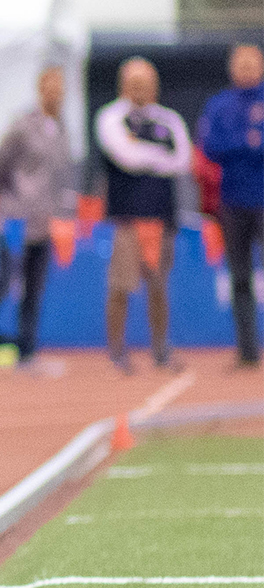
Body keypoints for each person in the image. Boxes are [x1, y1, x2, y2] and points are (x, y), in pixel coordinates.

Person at [0, 66, 74, 370]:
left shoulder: (62, 129)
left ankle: (27, 350)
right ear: (40, 90)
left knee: (34, 286)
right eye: (50, 88)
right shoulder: (23, 125)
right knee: (5, 279)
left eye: (60, 89)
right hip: (16, 217)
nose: (56, 95)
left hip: (44, 220)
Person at [96, 56, 192, 376]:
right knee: (120, 286)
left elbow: (182, 161)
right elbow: (126, 157)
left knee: (159, 287)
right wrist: (158, 156)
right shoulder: (111, 117)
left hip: (161, 216)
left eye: (146, 82)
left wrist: (144, 153)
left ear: (155, 86)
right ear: (123, 85)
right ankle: (116, 352)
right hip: (127, 217)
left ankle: (161, 350)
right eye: (134, 82)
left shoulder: (169, 120)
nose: (140, 88)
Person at [197, 43, 263, 370]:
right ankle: (247, 352)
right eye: (241, 64)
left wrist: (242, 145)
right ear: (232, 68)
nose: (246, 69)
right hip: (233, 202)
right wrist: (247, 142)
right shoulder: (219, 104)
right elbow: (210, 146)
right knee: (239, 278)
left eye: (252, 63)